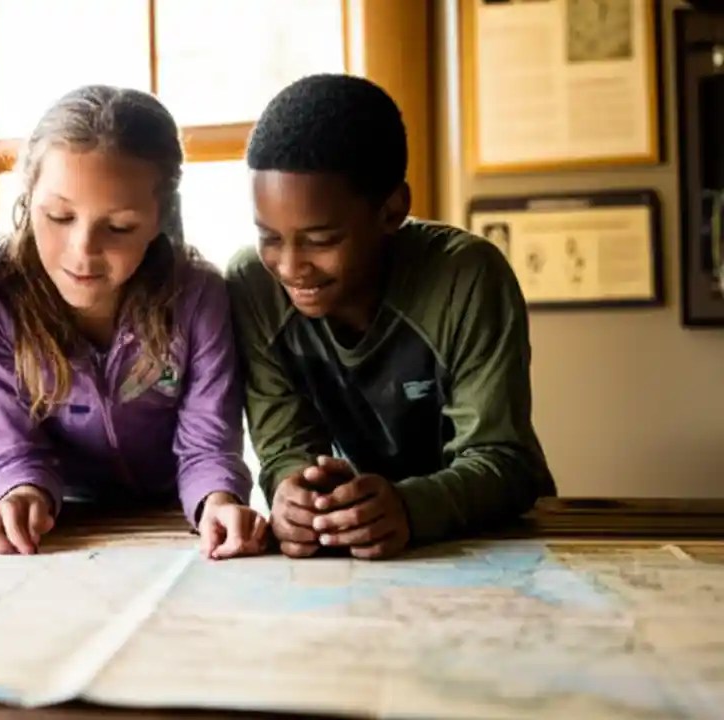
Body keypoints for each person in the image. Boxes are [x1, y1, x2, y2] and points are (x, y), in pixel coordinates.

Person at [226, 74, 556, 560]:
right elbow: (283, 449)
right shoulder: (254, 285)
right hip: (352, 550)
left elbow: (505, 461)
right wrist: (295, 497)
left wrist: (409, 507)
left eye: (321, 240)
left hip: (490, 545)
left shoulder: (466, 277)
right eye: (269, 237)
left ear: (392, 210)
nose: (291, 267)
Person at [0, 85, 265, 559]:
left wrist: (218, 504)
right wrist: (20, 497)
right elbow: (13, 447)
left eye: (119, 227)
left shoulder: (197, 296)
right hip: (63, 520)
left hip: (173, 515)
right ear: (28, 196)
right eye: (58, 216)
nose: (83, 250)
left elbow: (208, 447)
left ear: (160, 217)